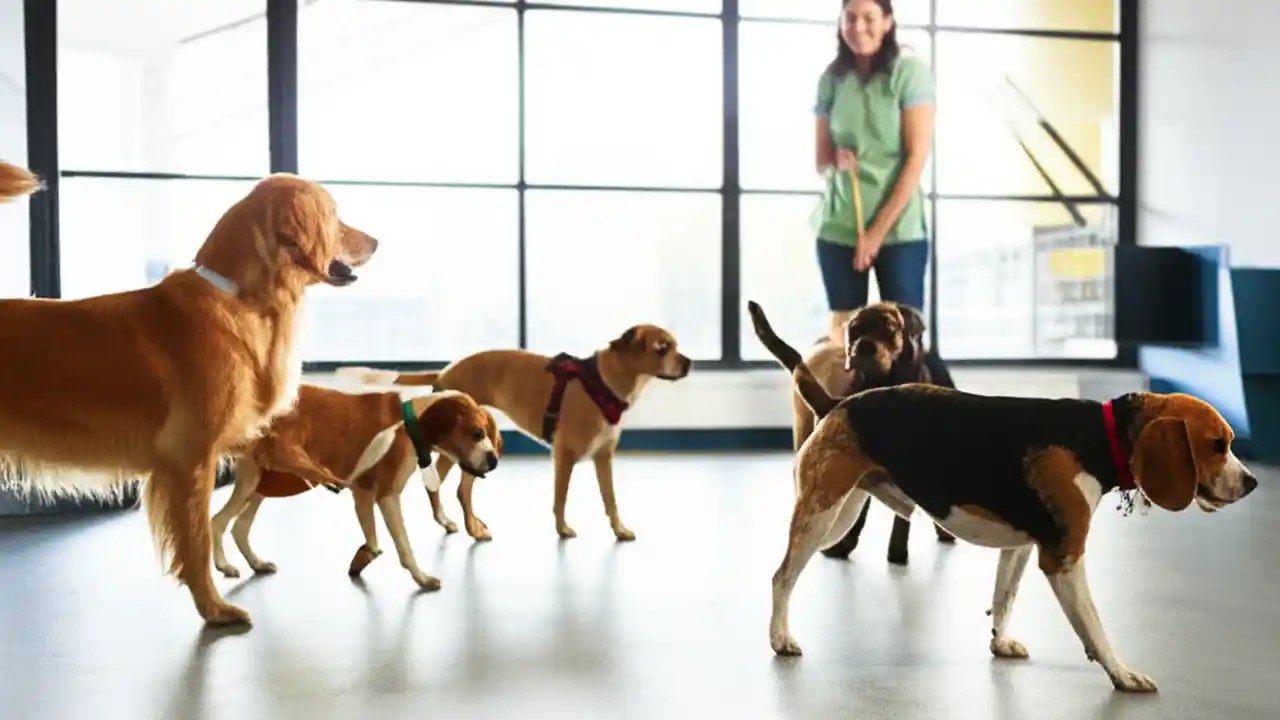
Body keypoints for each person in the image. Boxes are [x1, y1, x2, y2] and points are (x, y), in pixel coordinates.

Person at [812, 0, 935, 348]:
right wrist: (836, 157)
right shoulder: (831, 80)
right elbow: (820, 161)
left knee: (906, 343)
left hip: (900, 231)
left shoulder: (908, 74)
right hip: (839, 229)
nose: (858, 27)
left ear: (888, 22)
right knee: (845, 345)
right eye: (850, 17)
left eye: (869, 18)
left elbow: (916, 158)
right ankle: (852, 406)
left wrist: (875, 235)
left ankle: (929, 403)